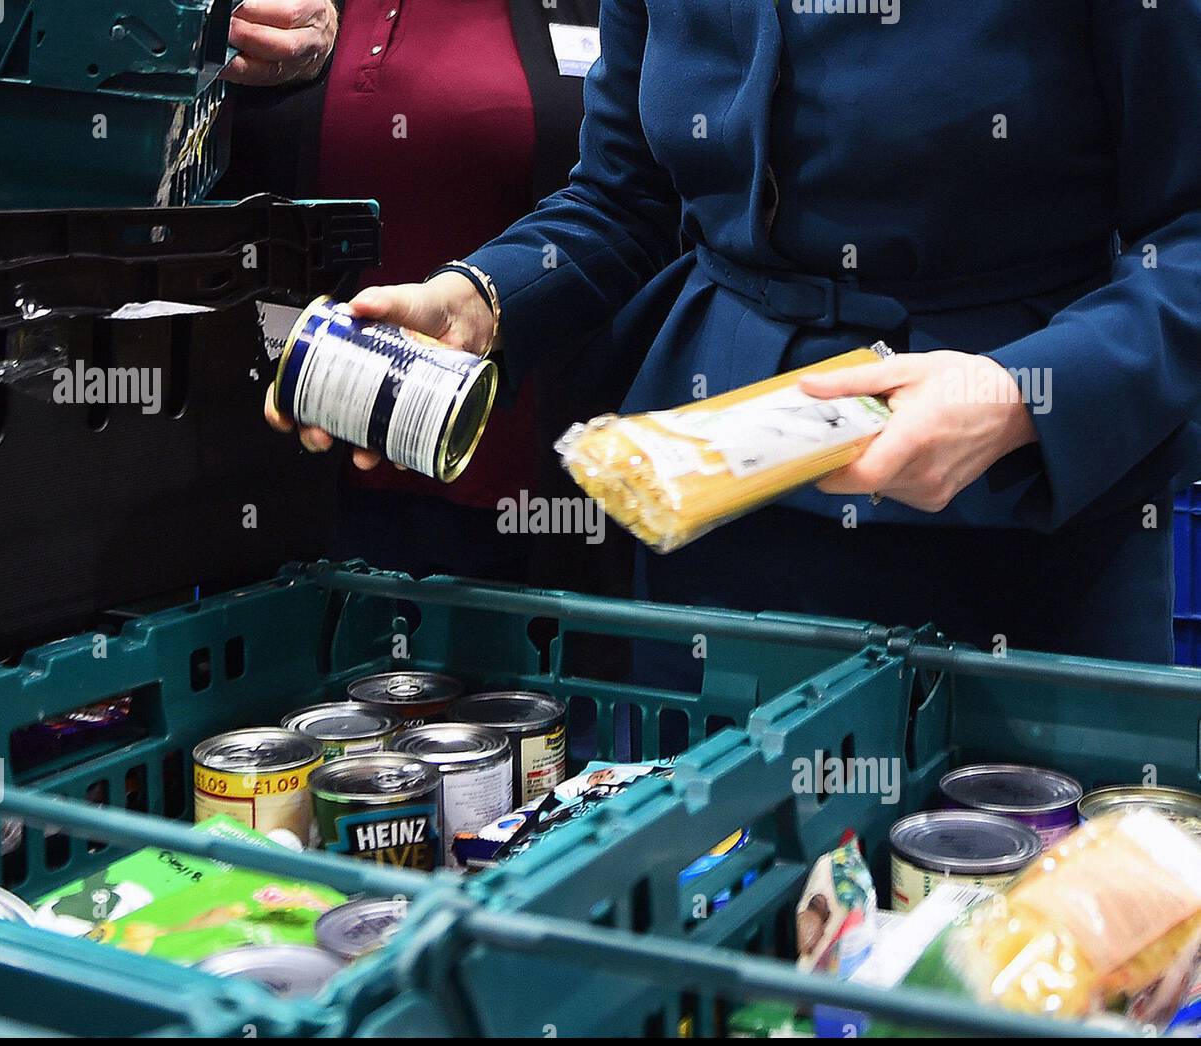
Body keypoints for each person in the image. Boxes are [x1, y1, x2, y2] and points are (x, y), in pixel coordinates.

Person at [268, 3, 1201, 666]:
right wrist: (477, 300)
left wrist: (1023, 395)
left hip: (1026, 528)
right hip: (718, 511)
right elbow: (626, 197)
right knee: (731, 883)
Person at [223, 0, 617, 588]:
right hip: (292, 467)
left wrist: (480, 299)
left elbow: (634, 202)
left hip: (534, 491)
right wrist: (219, 28)